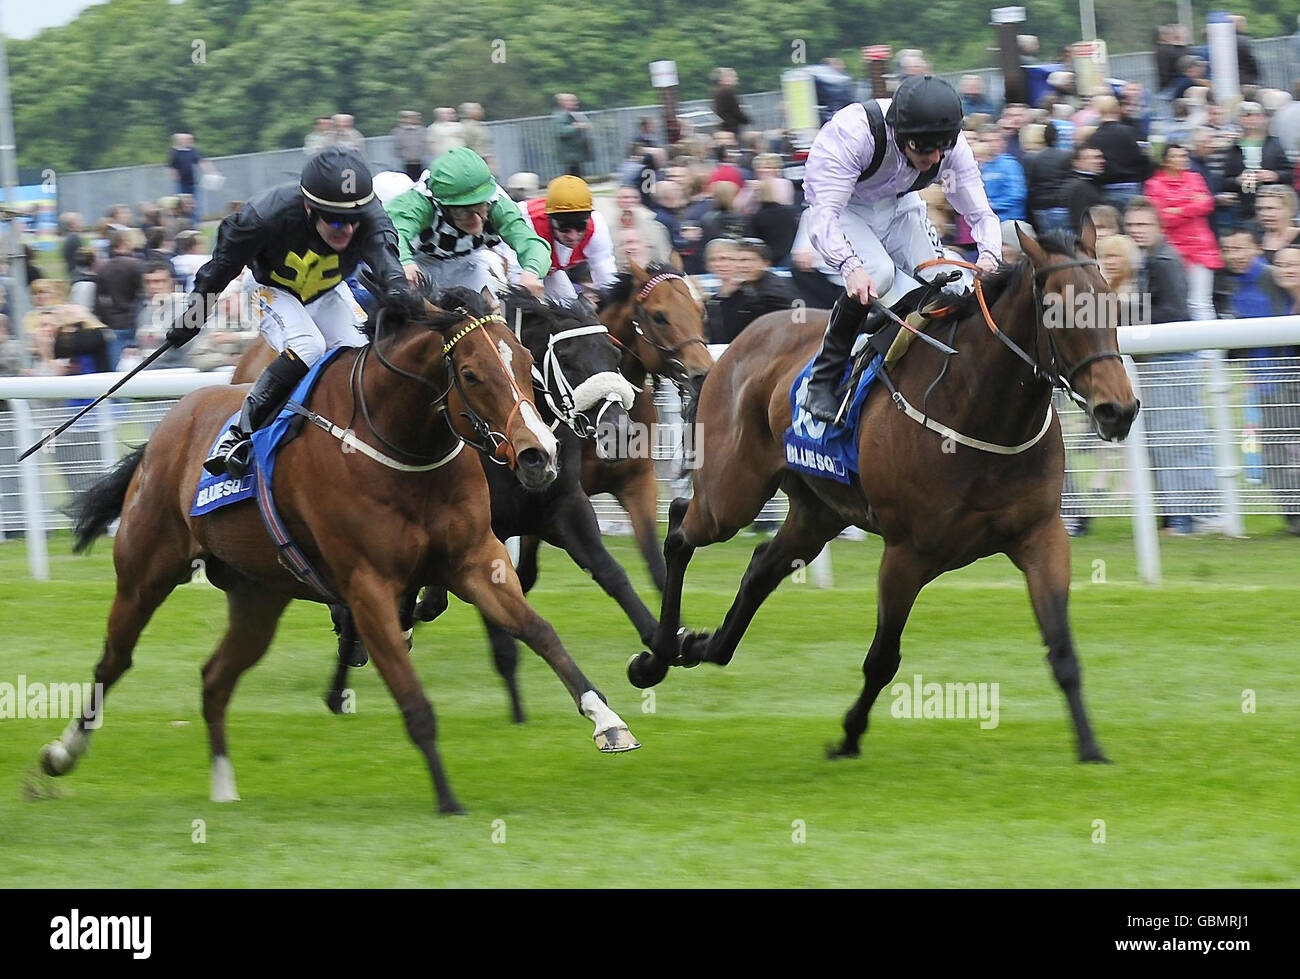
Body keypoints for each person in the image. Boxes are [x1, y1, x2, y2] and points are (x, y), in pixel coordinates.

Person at [163, 148, 419, 477]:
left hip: (327, 291)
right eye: (335, 220)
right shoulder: (261, 218)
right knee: (307, 345)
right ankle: (239, 435)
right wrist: (192, 318)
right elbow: (219, 270)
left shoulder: (367, 215)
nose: (346, 230)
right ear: (309, 207)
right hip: (272, 290)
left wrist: (400, 293)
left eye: (354, 220)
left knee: (359, 355)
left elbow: (387, 265)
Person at [799, 73, 999, 423]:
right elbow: (824, 214)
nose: (935, 158)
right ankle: (823, 379)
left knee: (954, 282)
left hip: (901, 205)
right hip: (845, 211)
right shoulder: (853, 133)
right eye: (925, 150)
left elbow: (980, 213)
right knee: (878, 273)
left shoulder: (949, 146)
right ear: (899, 135)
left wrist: (989, 255)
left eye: (942, 149)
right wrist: (849, 266)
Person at [1125, 197, 1218, 535]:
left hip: (1174, 361)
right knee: (1166, 439)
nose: (1137, 231)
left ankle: (1195, 516)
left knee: (1181, 438)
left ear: (1158, 228)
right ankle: (1179, 516)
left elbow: (1174, 311)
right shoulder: (1151, 260)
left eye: (1143, 225)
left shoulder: (1164, 260)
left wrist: (1127, 316)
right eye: (1132, 225)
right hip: (1165, 360)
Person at [386, 146, 549, 301]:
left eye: (481, 208)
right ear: (442, 205)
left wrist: (531, 273)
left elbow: (531, 242)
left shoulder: (498, 204)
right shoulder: (417, 203)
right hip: (420, 263)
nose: (476, 219)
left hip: (468, 262)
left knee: (491, 319)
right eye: (463, 211)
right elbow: (390, 233)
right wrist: (405, 262)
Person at [1143, 143, 1222, 321]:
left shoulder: (1195, 178)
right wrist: (1191, 206)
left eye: (1184, 156)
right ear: (1165, 160)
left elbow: (1207, 204)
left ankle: (1210, 349)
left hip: (1199, 248)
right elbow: (1161, 217)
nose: (1181, 160)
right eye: (1175, 156)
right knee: (1178, 301)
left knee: (1200, 302)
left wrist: (1178, 210)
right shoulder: (1153, 185)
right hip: (1172, 250)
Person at [518, 175, 617, 303]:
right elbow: (518, 284)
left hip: (550, 270)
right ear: (550, 220)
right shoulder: (526, 223)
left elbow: (606, 279)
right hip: (512, 267)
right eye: (564, 227)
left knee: (573, 311)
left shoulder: (597, 225)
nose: (573, 236)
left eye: (580, 227)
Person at [704, 238, 796, 344]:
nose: (743, 266)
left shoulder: (772, 292)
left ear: (765, 263)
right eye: (739, 261)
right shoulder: (738, 291)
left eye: (748, 260)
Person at [1026, 122, 1073, 234]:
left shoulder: (1034, 158)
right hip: (1061, 206)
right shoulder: (1067, 156)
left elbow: (1031, 185)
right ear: (1057, 137)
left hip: (1040, 208)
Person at [978, 123, 1027, 222]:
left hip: (1009, 220)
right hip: (986, 222)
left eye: (995, 140)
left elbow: (1017, 194)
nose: (992, 144)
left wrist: (993, 205)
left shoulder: (1010, 165)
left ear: (1002, 142)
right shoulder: (980, 166)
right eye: (987, 141)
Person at [1256, 185, 1300, 262]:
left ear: (1290, 210)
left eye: (1271, 208)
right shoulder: (1254, 237)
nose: (1264, 213)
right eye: (1260, 209)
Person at [553, 94, 591, 177]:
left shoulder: (572, 114)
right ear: (564, 103)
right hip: (570, 155)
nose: (575, 103)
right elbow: (561, 131)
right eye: (572, 101)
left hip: (576, 154)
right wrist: (577, 126)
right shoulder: (561, 116)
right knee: (573, 179)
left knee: (578, 177)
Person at [712, 67, 751, 138]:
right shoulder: (728, 91)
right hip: (732, 128)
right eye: (733, 76)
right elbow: (736, 111)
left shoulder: (717, 91)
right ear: (725, 78)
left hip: (724, 127)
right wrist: (747, 120)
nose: (736, 78)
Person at [391, 110, 427, 181]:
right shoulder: (399, 131)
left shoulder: (422, 130)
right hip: (404, 163)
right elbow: (397, 146)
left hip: (420, 161)